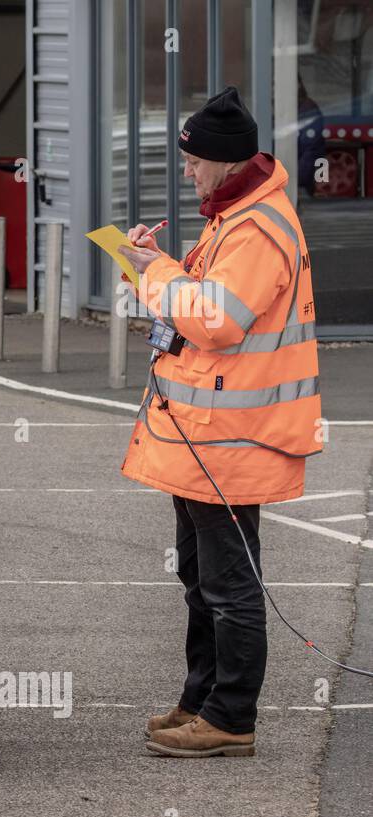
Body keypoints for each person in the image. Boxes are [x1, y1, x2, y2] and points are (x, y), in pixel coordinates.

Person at [119, 87, 322, 759]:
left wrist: (157, 276)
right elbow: (203, 301)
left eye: (193, 161)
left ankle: (231, 716)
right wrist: (155, 269)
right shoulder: (236, 215)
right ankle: (201, 700)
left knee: (229, 587)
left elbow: (215, 319)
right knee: (201, 579)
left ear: (226, 162)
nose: (186, 172)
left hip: (234, 440)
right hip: (204, 436)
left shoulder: (259, 226)